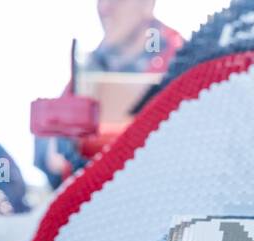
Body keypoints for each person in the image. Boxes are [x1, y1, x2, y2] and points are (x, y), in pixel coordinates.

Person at [35, 0, 184, 188]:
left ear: (148, 4)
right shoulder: (88, 69)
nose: (105, 8)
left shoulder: (186, 62)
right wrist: (58, 146)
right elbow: (49, 153)